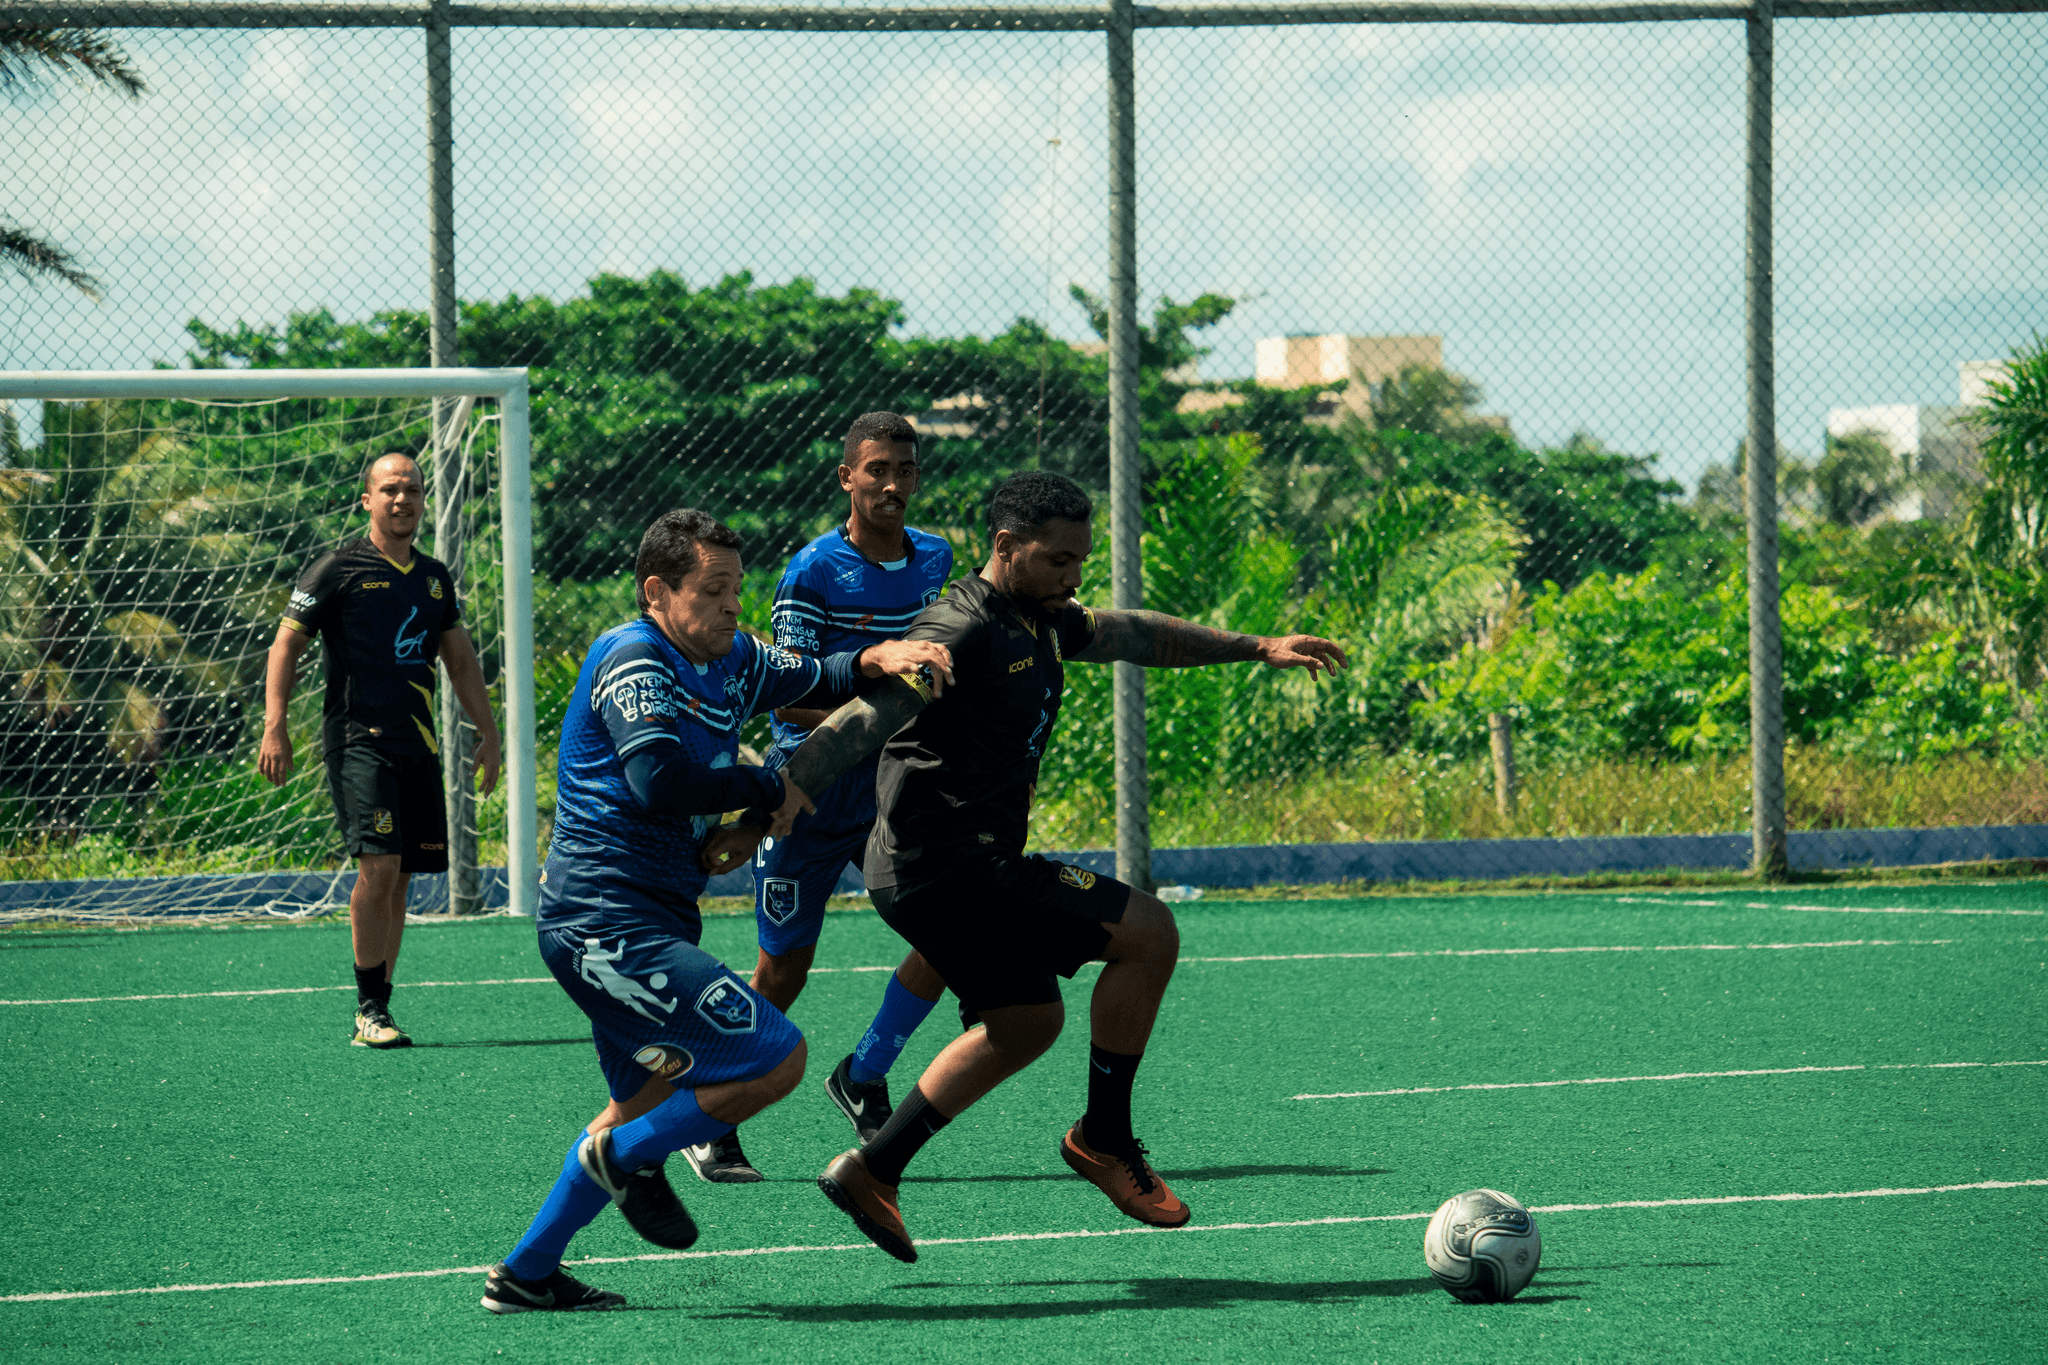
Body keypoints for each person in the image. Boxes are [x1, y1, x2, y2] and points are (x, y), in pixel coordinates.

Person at [750, 470, 1348, 1262]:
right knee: (1150, 931)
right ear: (1007, 548)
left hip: (950, 868)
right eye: (1059, 560)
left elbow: (1136, 634)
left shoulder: (1039, 617)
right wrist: (784, 790)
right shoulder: (961, 629)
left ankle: (873, 1167)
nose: (1074, 577)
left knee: (1027, 1022)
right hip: (949, 870)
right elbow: (867, 717)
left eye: (1081, 560)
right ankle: (1104, 1137)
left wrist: (1256, 647)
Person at [479, 507, 951, 1314]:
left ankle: (527, 1271)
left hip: (648, 920)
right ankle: (623, 1160)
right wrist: (764, 784)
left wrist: (880, 656)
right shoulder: (634, 655)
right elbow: (657, 781)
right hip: (604, 923)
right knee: (776, 1058)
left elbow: (815, 674)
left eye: (739, 587)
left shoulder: (731, 655)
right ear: (658, 590)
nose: (736, 605)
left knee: (641, 1106)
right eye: (715, 588)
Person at [689, 412, 953, 1183]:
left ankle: (864, 1072)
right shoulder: (812, 571)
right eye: (878, 470)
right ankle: (712, 1115)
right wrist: (895, 694)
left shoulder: (936, 558)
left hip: (899, 789)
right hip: (807, 791)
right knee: (783, 974)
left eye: (905, 469)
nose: (894, 484)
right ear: (848, 477)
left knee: (947, 932)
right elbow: (791, 701)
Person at [259, 452, 502, 1049]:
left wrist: (488, 731)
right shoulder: (336, 569)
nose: (402, 500)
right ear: (365, 499)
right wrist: (275, 723)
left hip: (419, 746)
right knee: (380, 865)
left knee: (402, 878)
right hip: (357, 743)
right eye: (390, 490)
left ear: (424, 501)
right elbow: (285, 646)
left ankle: (381, 1007)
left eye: (412, 490)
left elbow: (461, 658)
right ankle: (367, 1008)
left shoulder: (434, 577)